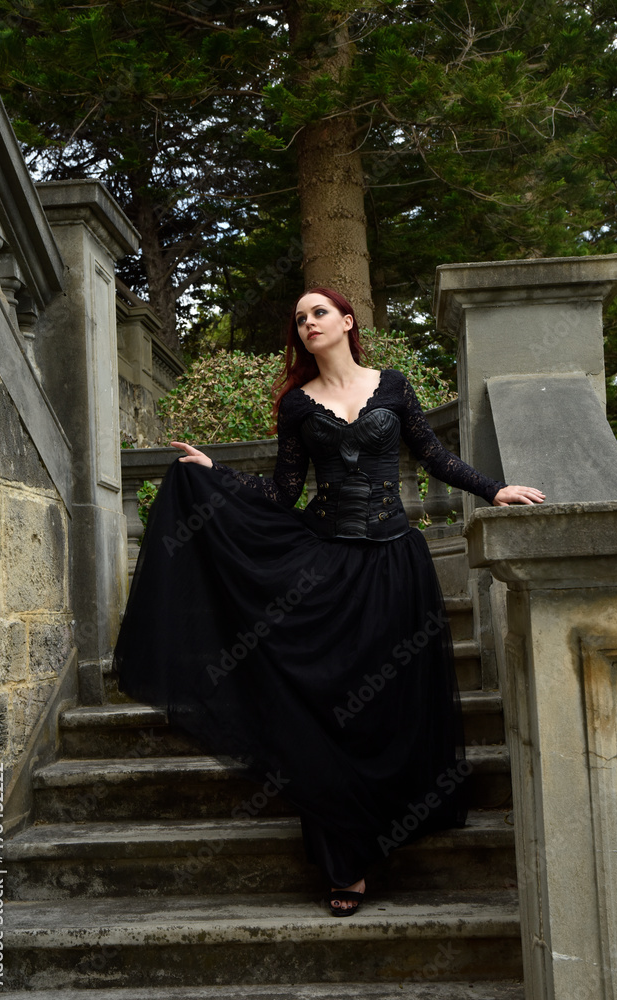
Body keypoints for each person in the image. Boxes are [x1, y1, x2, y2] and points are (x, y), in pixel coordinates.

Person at [112, 287, 544, 916]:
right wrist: (213, 475)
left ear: (346, 321)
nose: (308, 323)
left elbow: (434, 456)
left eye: (319, 313)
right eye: (299, 318)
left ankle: (386, 828)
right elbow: (285, 492)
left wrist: (495, 489)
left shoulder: (392, 387)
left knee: (388, 705)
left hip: (397, 563)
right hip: (327, 567)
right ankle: (345, 862)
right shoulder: (295, 405)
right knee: (332, 709)